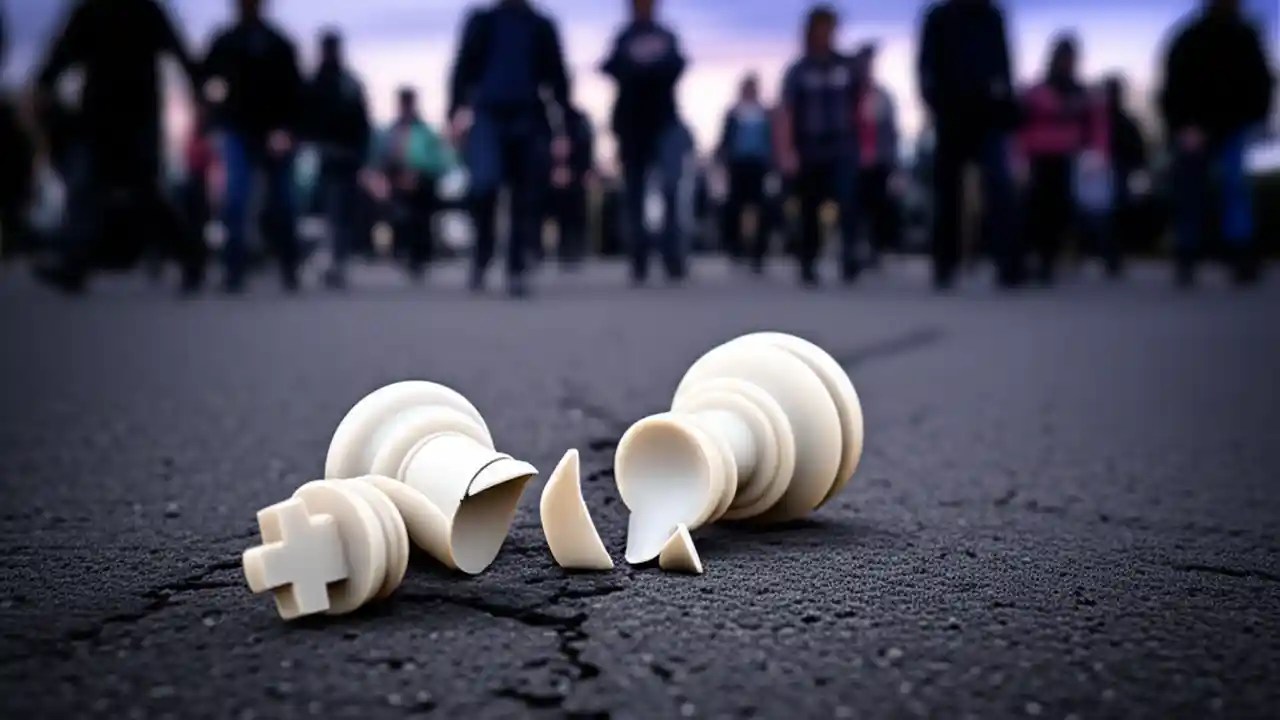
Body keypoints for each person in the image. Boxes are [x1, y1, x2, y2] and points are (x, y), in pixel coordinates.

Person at [33, 0, 203, 294]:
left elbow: (177, 51)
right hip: (98, 115)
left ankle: (189, 255)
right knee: (86, 188)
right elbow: (63, 51)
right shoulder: (90, 11)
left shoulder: (145, 10)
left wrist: (198, 85)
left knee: (144, 193)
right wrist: (44, 82)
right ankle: (74, 265)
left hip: (138, 116)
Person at [450, 0, 570, 297]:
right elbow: (463, 66)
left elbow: (558, 76)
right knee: (484, 185)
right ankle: (482, 254)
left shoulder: (540, 25)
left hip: (527, 116)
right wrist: (455, 109)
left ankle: (516, 267)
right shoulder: (482, 21)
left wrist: (563, 125)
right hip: (488, 115)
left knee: (522, 194)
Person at [1160, 0, 1275, 286]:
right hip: (1194, 129)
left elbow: (1261, 81)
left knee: (1234, 188)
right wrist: (1182, 126)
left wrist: (1256, 118)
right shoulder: (1190, 38)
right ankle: (1187, 255)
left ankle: (1240, 255)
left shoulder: (1245, 36)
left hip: (1232, 127)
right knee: (1191, 192)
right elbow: (1173, 85)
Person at [204, 0, 305, 293]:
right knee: (234, 198)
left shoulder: (278, 44)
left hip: (275, 133)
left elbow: (295, 94)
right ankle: (234, 269)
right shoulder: (225, 42)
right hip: (237, 130)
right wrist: (215, 116)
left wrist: (287, 131)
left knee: (283, 203)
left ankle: (289, 266)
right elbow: (205, 80)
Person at [918, 0, 1019, 289]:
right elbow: (926, 64)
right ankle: (945, 264)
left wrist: (1004, 103)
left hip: (987, 115)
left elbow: (1003, 62)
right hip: (951, 116)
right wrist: (935, 101)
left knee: (999, 188)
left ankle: (1007, 263)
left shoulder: (991, 16)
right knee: (948, 193)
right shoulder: (939, 17)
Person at [602, 0, 688, 285]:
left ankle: (672, 258)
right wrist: (636, 71)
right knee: (634, 195)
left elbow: (678, 66)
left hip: (663, 123)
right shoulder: (623, 37)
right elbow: (609, 66)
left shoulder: (666, 36)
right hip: (631, 127)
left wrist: (647, 71)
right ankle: (638, 259)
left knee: (670, 191)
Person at [776, 5, 861, 286]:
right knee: (809, 207)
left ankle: (850, 257)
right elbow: (786, 112)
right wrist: (787, 151)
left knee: (848, 201)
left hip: (842, 145)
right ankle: (808, 262)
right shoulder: (798, 71)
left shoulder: (846, 67)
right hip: (809, 146)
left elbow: (859, 106)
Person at [1017, 34, 1107, 283]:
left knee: (1060, 210)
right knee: (1036, 209)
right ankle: (1034, 257)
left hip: (1068, 158)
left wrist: (1098, 154)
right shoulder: (1037, 91)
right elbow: (1021, 127)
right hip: (1039, 158)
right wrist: (1020, 157)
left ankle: (1050, 258)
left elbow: (1097, 128)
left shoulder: (1082, 94)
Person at [305, 30, 371, 290]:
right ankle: (332, 260)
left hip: (342, 156)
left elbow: (362, 123)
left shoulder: (345, 84)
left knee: (337, 212)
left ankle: (335, 261)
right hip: (324, 154)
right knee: (329, 212)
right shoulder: (320, 82)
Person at [369, 87, 455, 280]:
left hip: (423, 182)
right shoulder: (389, 132)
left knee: (420, 218)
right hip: (396, 180)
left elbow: (440, 161)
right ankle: (400, 250)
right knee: (400, 216)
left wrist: (418, 173)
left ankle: (419, 256)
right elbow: (379, 159)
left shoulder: (426, 133)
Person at [716, 73, 774, 271]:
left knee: (760, 207)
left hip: (759, 165)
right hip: (738, 165)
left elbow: (772, 139)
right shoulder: (734, 113)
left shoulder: (765, 113)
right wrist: (723, 161)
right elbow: (724, 139)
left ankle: (759, 251)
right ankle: (735, 247)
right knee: (736, 207)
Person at [852, 44, 901, 269]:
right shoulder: (849, 97)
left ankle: (876, 249)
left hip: (879, 161)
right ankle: (856, 247)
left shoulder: (883, 97)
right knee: (856, 206)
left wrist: (893, 163)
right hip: (854, 161)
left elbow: (891, 132)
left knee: (878, 206)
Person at [1102, 75, 1149, 268]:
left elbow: (1139, 153)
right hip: (1104, 175)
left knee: (1116, 213)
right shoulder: (1101, 121)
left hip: (1120, 174)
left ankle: (1114, 253)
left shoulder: (1125, 123)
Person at [547, 103, 595, 267]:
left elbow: (585, 145)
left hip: (574, 172)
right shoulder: (540, 116)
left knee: (573, 210)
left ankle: (572, 248)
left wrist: (581, 169)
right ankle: (564, 248)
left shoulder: (577, 120)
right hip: (551, 173)